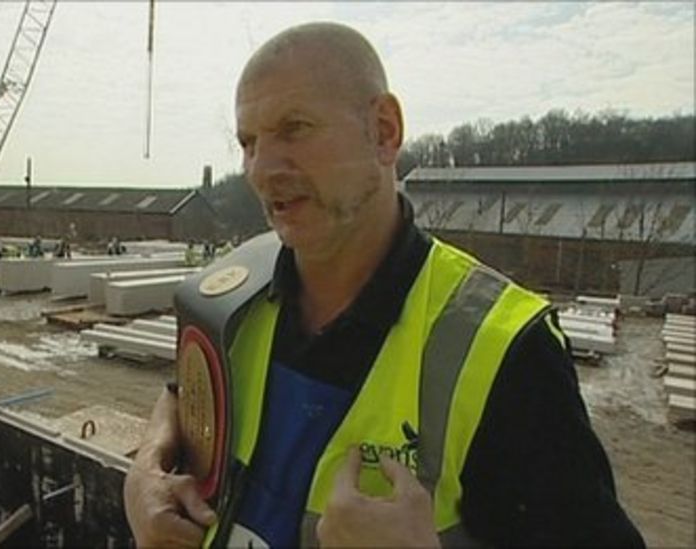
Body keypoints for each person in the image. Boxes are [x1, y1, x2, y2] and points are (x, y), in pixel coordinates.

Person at [123, 21, 643, 548]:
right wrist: (146, 468)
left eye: (294, 128)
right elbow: (184, 396)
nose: (262, 169)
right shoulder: (232, 295)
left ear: (384, 131)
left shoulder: (504, 352)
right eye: (249, 142)